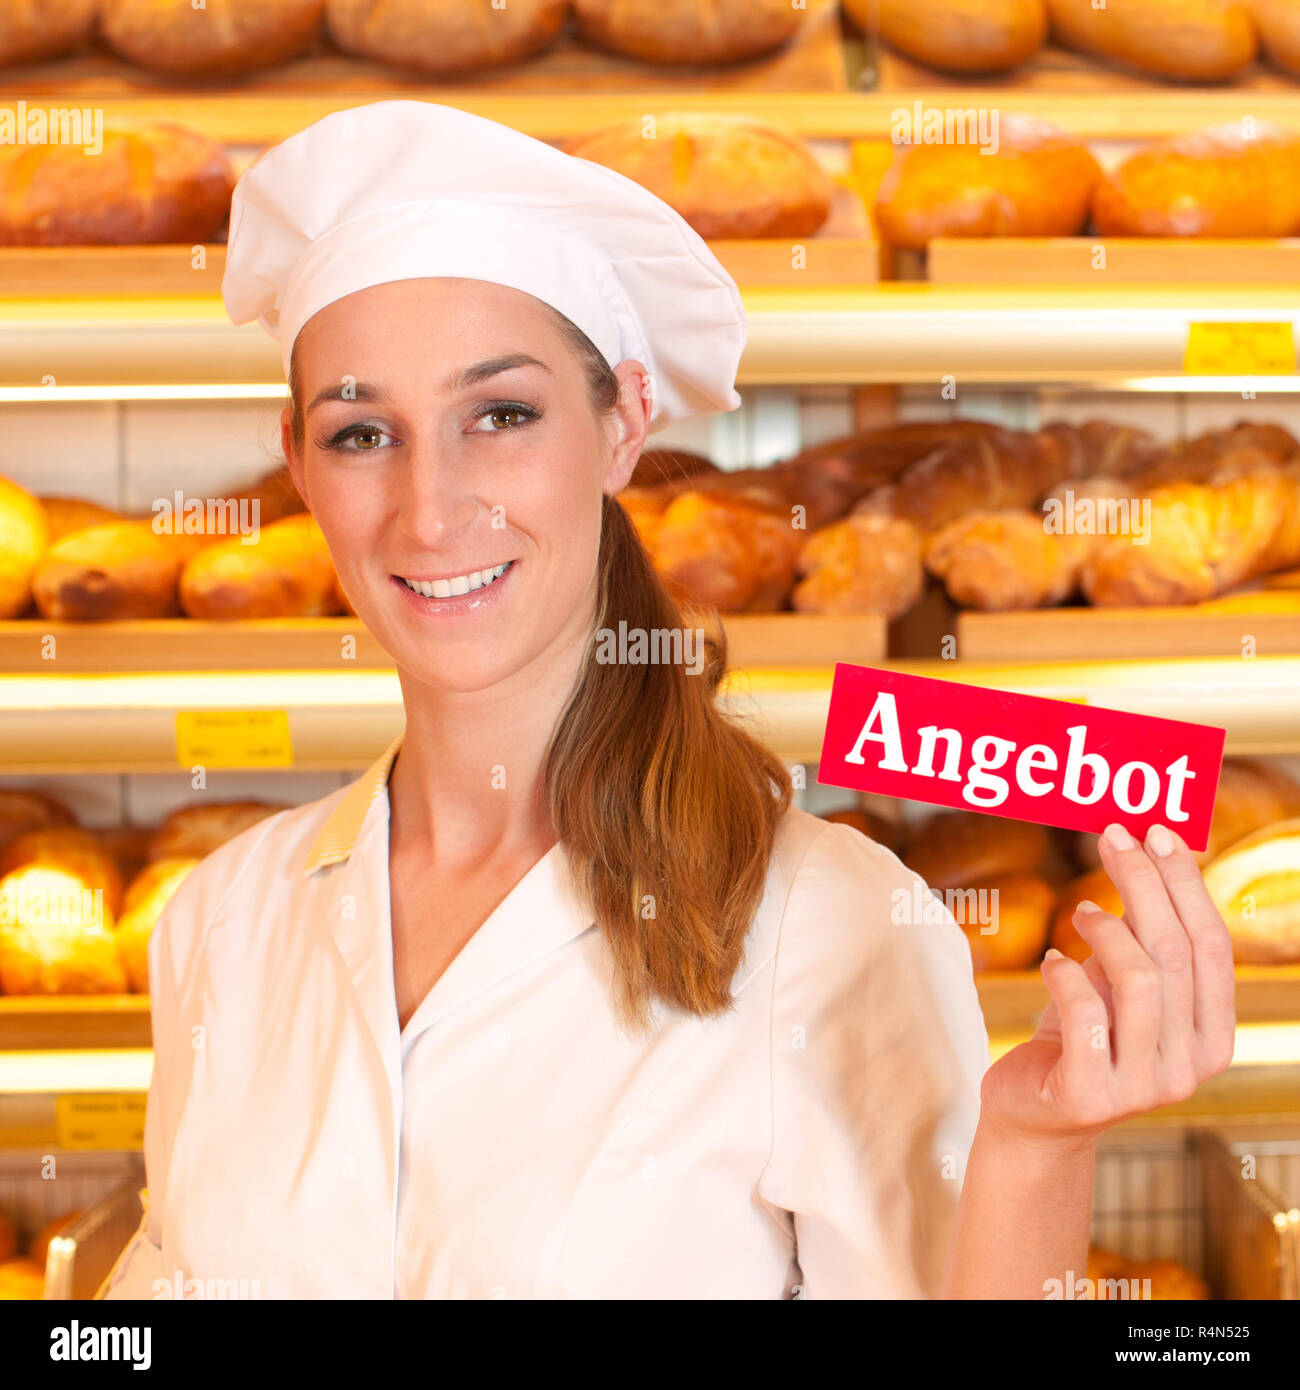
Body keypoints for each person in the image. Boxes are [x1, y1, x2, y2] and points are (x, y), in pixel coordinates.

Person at [102, 101, 1235, 1300]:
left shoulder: (825, 925)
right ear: (297, 461)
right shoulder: (219, 922)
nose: (430, 511)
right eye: (362, 431)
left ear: (623, 421)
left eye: (502, 415)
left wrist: (1032, 1150)